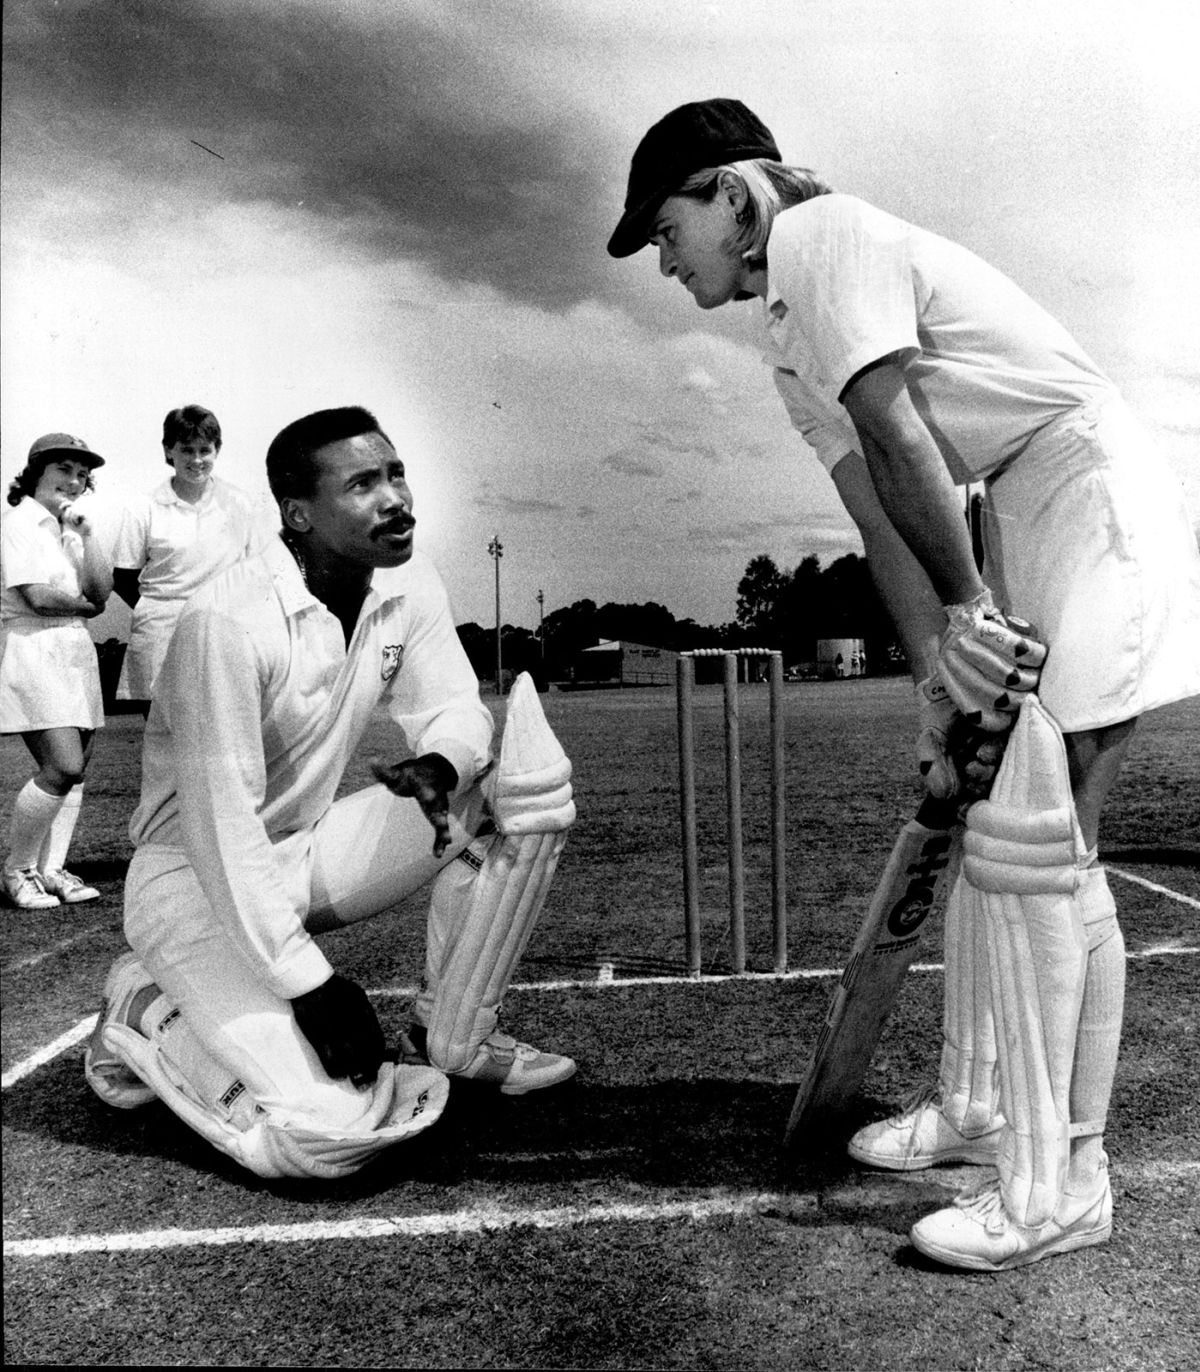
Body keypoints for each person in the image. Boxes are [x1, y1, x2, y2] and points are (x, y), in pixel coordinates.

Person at [608, 98, 1200, 1269]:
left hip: (1087, 487)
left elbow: (899, 436)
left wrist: (974, 606)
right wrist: (938, 667)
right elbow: (872, 506)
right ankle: (981, 1108)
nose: (664, 258)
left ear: (736, 193)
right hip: (1021, 501)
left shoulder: (827, 239)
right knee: (994, 816)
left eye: (668, 226)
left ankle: (1060, 1178)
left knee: (1047, 838)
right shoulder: (784, 333)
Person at [84, 406, 577, 1181]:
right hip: (191, 880)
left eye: (395, 474)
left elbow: (454, 705)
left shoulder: (408, 581)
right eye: (362, 484)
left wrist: (443, 764)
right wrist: (309, 984)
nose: (395, 499)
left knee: (510, 788)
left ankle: (452, 1037)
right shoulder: (227, 622)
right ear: (298, 514)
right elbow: (223, 831)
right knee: (326, 1139)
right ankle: (141, 1010)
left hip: (299, 856)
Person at [2, 434, 113, 908]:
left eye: (82, 475)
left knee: (77, 771)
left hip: (73, 648)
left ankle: (51, 868)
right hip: (33, 645)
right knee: (61, 765)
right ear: (36, 472)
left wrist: (88, 536)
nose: (74, 481)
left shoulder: (68, 528)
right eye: (64, 469)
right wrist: (86, 606)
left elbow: (102, 591)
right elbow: (39, 597)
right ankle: (17, 869)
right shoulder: (19, 522)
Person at [111, 405, 265, 709]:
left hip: (223, 629)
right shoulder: (143, 507)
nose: (196, 460)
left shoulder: (240, 503)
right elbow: (123, 576)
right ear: (169, 451)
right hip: (161, 631)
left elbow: (255, 571)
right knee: (163, 737)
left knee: (221, 732)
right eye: (186, 450)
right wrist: (163, 607)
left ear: (217, 450)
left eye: (204, 450)